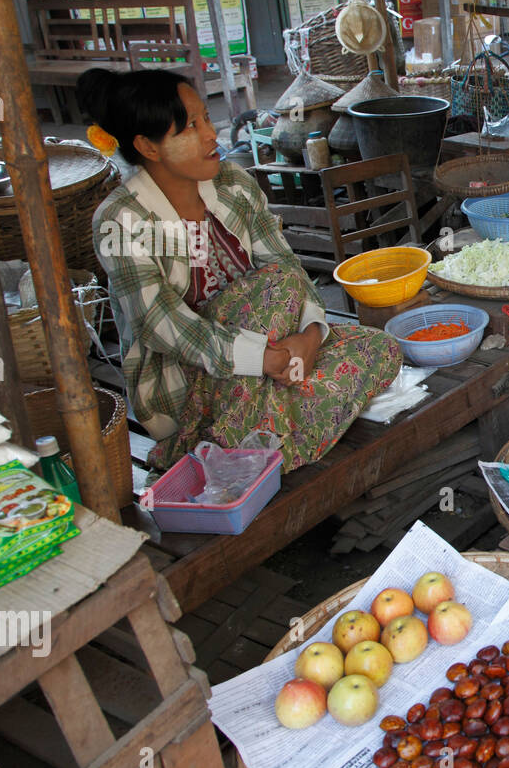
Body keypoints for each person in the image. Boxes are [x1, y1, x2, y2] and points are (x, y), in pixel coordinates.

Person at [78, 68, 402, 471]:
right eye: (191, 127)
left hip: (276, 359)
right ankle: (240, 443)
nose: (211, 134)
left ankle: (247, 449)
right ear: (148, 146)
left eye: (207, 119)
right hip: (191, 381)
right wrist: (261, 358)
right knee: (277, 289)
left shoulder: (233, 183)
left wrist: (311, 336)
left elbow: (285, 262)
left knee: (380, 347)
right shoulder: (121, 219)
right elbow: (158, 323)